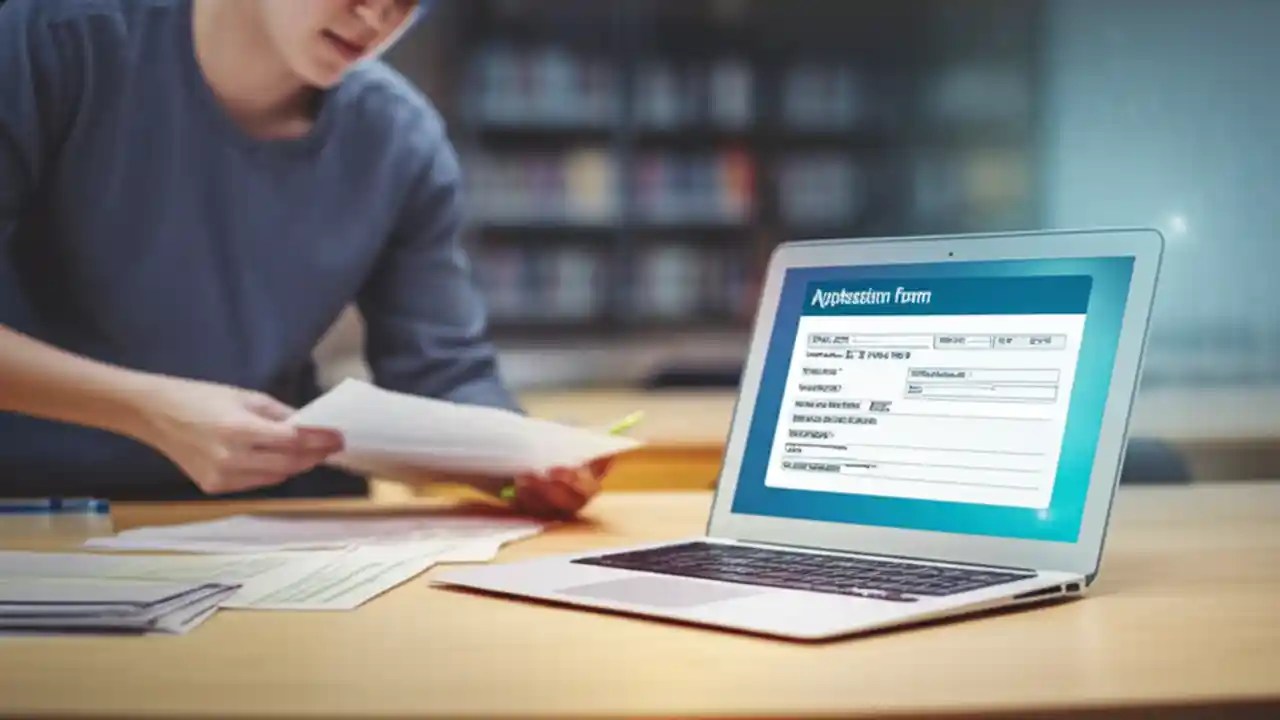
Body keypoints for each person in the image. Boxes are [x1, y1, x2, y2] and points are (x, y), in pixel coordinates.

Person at [0, 0, 607, 517]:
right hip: (33, 514)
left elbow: (444, 371)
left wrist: (520, 459)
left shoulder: (399, 140)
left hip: (276, 519)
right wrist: (147, 411)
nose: (378, 13)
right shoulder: (52, 43)